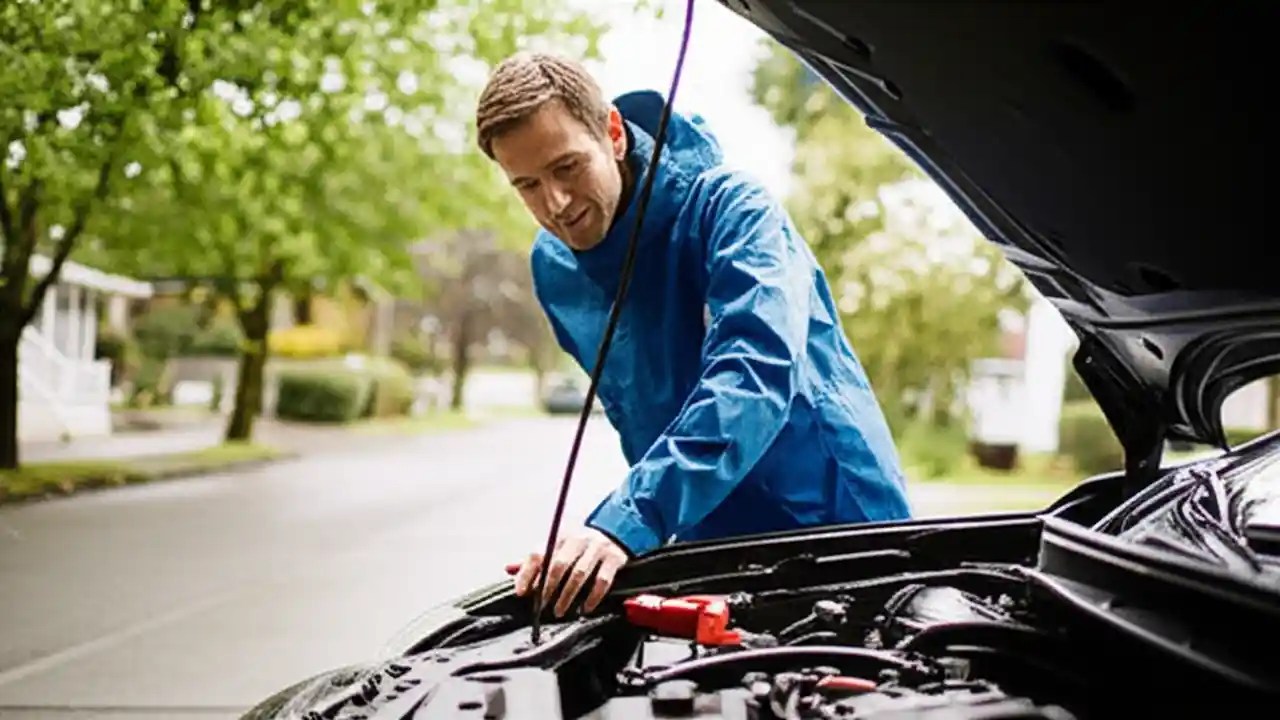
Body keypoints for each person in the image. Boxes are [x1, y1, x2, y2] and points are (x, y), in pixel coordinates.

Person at [474, 52, 912, 619]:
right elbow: (640, 413)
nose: (554, 204)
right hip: (704, 540)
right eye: (527, 185)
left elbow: (754, 374)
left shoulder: (736, 211)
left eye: (566, 168)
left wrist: (631, 519)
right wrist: (623, 540)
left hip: (835, 526)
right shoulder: (554, 269)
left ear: (612, 134)